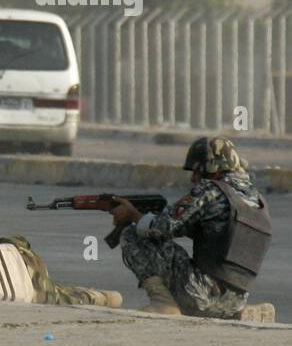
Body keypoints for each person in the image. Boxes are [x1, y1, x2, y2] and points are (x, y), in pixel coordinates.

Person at [110, 137, 273, 319]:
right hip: (235, 303)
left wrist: (133, 215)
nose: (193, 178)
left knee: (133, 233)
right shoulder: (256, 199)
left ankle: (163, 303)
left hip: (199, 296)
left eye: (196, 171)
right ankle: (239, 313)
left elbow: (161, 228)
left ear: (211, 168)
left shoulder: (210, 190)